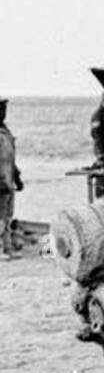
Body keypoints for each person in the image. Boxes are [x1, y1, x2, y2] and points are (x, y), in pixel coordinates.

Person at [0, 97, 22, 259]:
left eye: (4, 110)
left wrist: (17, 177)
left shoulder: (6, 132)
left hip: (8, 181)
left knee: (7, 217)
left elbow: (10, 159)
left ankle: (7, 247)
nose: (2, 113)